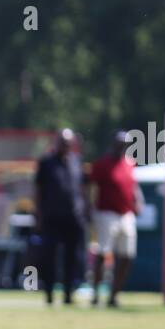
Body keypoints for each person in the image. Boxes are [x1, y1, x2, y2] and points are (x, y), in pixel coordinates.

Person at [86, 131, 143, 307]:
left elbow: (134, 186)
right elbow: (91, 187)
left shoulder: (130, 164)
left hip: (126, 214)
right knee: (103, 254)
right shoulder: (102, 164)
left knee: (127, 256)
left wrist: (138, 202)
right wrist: (90, 208)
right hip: (106, 213)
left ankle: (114, 295)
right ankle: (96, 294)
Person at [33, 128, 87, 306]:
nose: (65, 146)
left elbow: (82, 189)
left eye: (69, 143)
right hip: (52, 217)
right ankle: (49, 293)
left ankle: (68, 294)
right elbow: (38, 191)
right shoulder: (47, 163)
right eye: (63, 142)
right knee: (50, 256)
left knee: (73, 258)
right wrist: (38, 215)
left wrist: (85, 210)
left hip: (73, 218)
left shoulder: (76, 161)